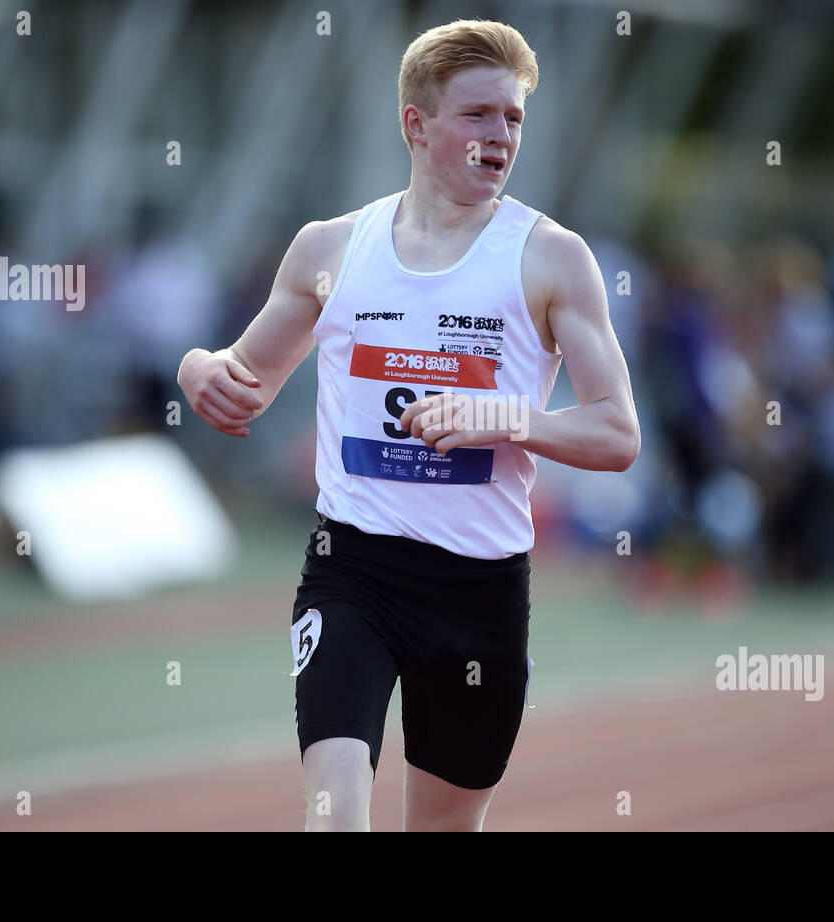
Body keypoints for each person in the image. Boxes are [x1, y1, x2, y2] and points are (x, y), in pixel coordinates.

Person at [177, 20, 639, 831]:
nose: (501, 137)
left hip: (480, 590)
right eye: (478, 115)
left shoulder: (551, 257)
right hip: (352, 572)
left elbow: (617, 435)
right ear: (415, 124)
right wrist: (195, 368)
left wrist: (508, 418)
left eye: (514, 119)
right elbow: (242, 379)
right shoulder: (329, 249)